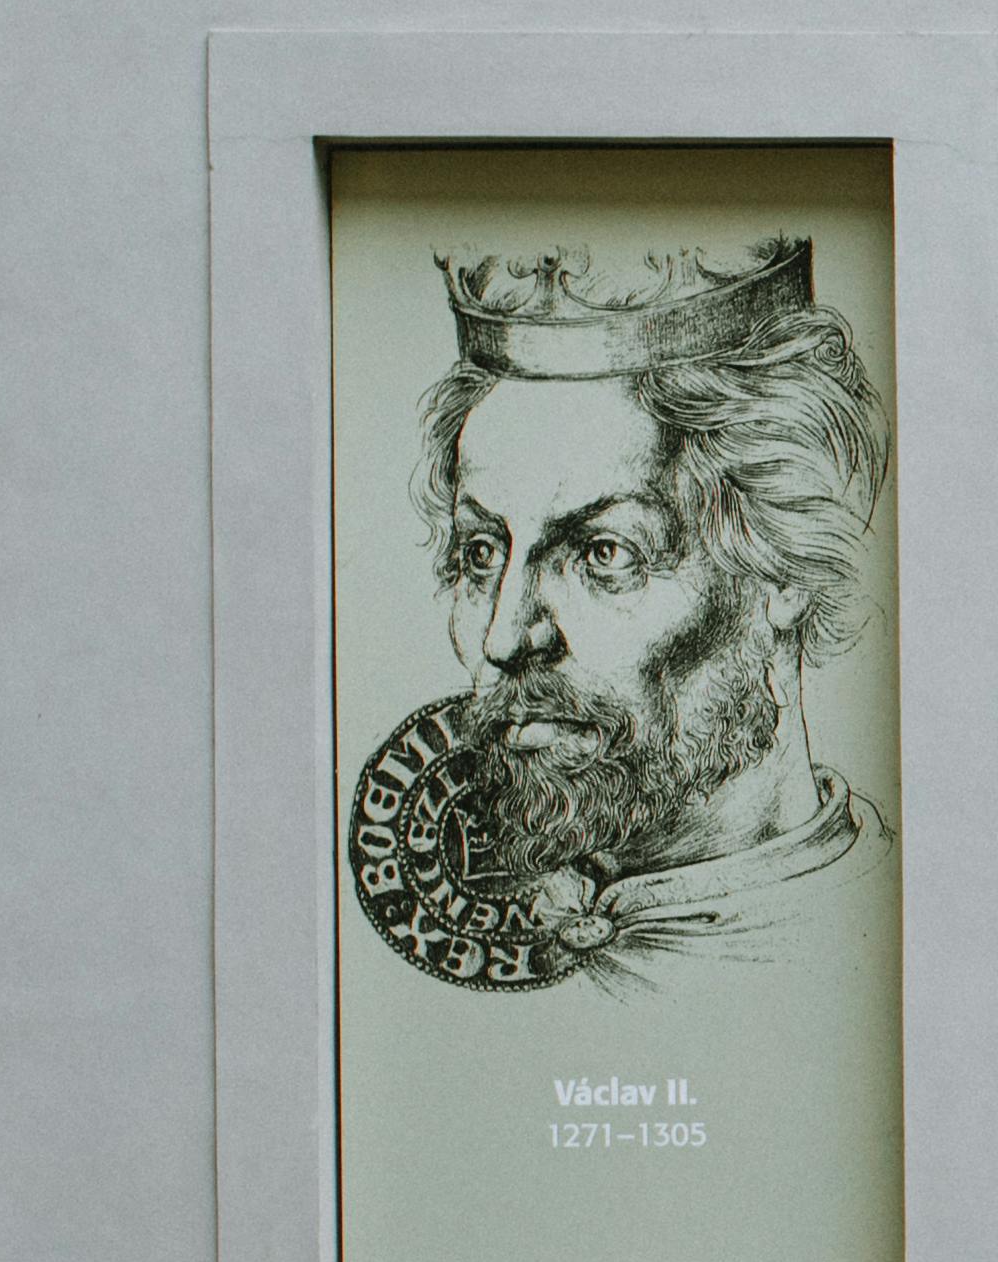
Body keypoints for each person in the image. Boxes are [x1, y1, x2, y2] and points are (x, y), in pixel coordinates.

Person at [342, 239, 889, 990]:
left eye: (604, 553)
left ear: (782, 572)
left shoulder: (887, 934)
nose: (504, 638)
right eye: (481, 553)